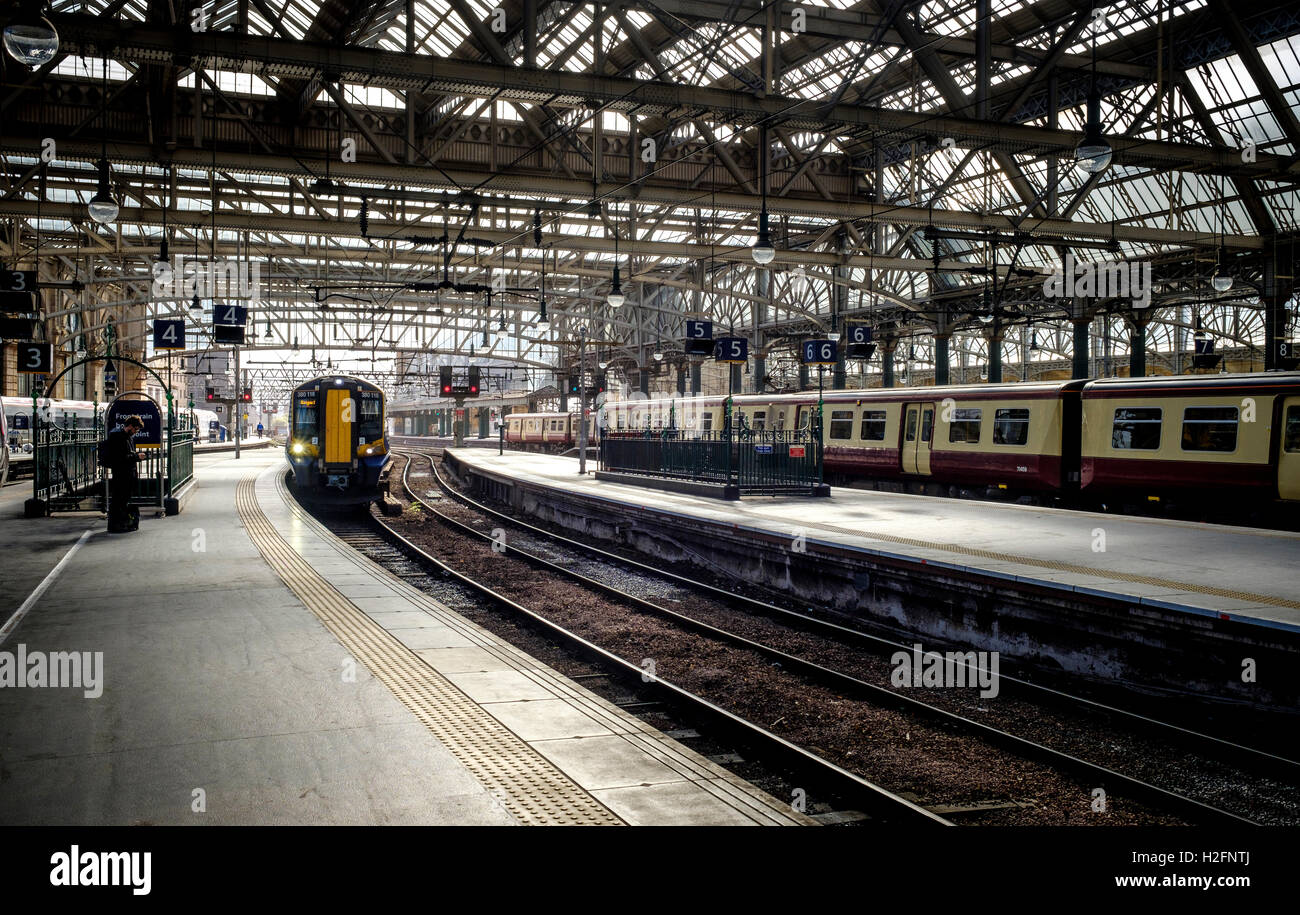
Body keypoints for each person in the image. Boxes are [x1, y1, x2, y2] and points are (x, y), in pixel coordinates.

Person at [103, 415, 144, 533]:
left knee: (123, 499)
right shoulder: (117, 437)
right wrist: (137, 456)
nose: (136, 432)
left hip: (128, 474)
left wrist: (136, 456)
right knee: (118, 500)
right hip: (121, 474)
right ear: (130, 426)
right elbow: (119, 458)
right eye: (135, 429)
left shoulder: (128, 437)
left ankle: (120, 523)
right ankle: (115, 525)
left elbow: (126, 455)